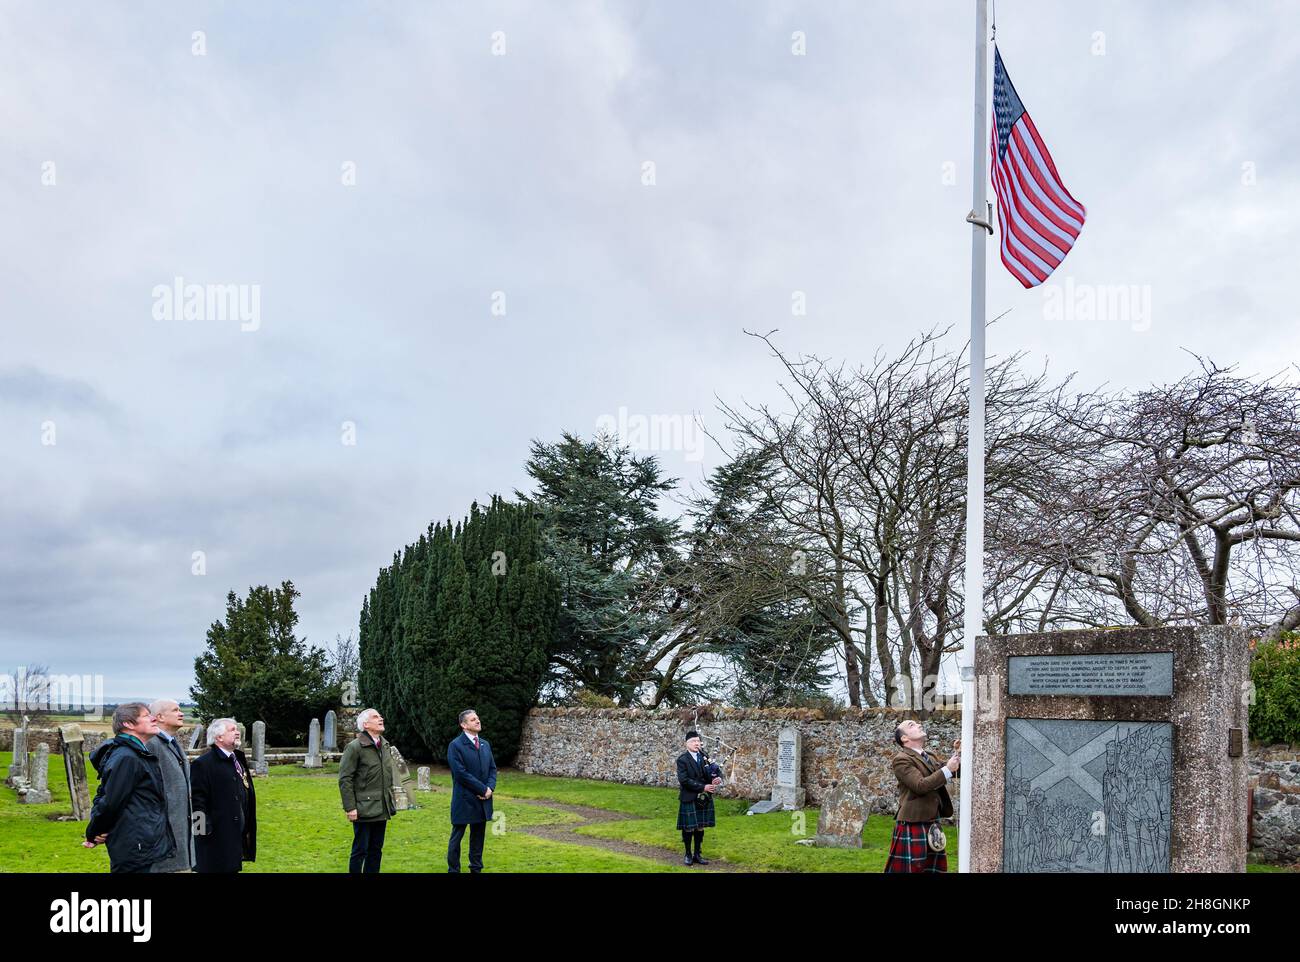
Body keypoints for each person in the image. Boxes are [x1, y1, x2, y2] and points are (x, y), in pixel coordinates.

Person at [83, 703, 176, 873]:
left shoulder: (136, 754)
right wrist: (94, 831)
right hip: (134, 845)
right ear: (128, 724)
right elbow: (110, 801)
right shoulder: (127, 757)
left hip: (141, 843)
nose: (154, 718)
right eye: (147, 716)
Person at [884, 719, 959, 873]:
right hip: (913, 823)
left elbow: (953, 771)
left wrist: (959, 753)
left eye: (917, 723)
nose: (918, 725)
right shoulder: (901, 759)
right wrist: (947, 769)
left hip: (932, 822)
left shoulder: (929, 755)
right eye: (911, 725)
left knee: (934, 870)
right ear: (904, 738)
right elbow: (920, 786)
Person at [190, 718, 257, 873]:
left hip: (235, 832)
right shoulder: (203, 764)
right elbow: (196, 800)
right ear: (219, 737)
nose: (237, 732)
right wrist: (201, 833)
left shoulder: (237, 759)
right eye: (232, 730)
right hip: (214, 836)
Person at [338, 707, 396, 873]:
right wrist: (350, 807)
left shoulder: (385, 745)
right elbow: (345, 779)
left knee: (376, 851)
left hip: (382, 806)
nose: (381, 718)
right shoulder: (354, 747)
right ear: (365, 724)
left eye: (380, 715)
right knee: (360, 850)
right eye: (375, 716)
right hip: (363, 808)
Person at [145, 698, 194, 873]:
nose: (181, 713)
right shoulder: (151, 744)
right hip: (164, 841)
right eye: (175, 710)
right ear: (159, 717)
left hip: (181, 837)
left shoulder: (173, 742)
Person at [446, 708, 496, 873]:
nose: (478, 721)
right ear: (463, 725)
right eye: (473, 719)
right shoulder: (456, 745)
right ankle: (454, 870)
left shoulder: (485, 744)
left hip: (483, 799)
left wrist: (490, 788)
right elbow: (460, 773)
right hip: (465, 799)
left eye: (478, 718)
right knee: (457, 837)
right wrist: (482, 789)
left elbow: (492, 769)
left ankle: (476, 869)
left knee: (478, 837)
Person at [675, 730, 720, 866]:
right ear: (686, 744)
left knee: (700, 826)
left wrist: (716, 778)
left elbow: (714, 771)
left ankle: (697, 854)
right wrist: (703, 787)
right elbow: (684, 780)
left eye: (698, 741)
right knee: (689, 827)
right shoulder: (682, 760)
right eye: (693, 741)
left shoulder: (704, 757)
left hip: (704, 798)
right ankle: (688, 854)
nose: (696, 743)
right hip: (689, 796)